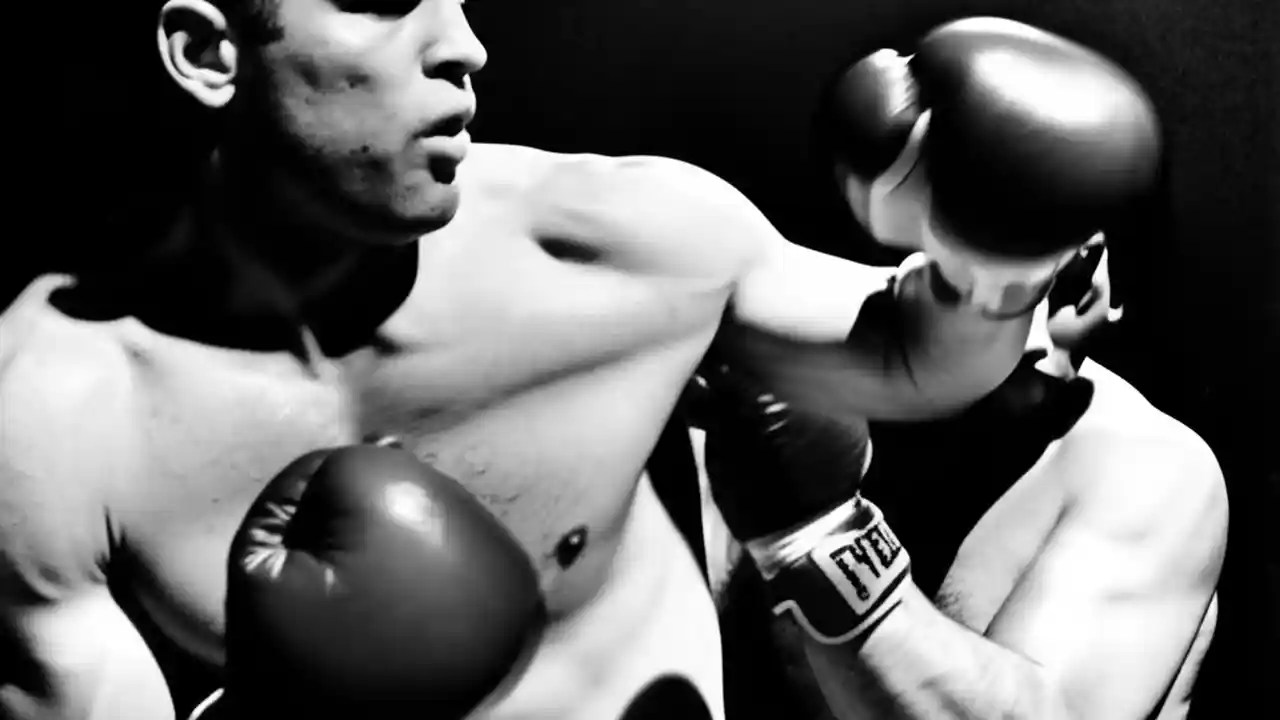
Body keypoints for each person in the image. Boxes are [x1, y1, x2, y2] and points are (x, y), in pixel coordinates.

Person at [0, 4, 1171, 719]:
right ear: (207, 53)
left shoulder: (616, 242)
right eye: (383, 1)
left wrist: (994, 263)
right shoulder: (48, 425)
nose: (462, 46)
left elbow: (916, 361)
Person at [700, 20, 1227, 720]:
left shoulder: (1148, 470)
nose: (1030, 309)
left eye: (1068, 265)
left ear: (1120, 292)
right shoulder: (809, 381)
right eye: (986, 251)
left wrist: (821, 539)